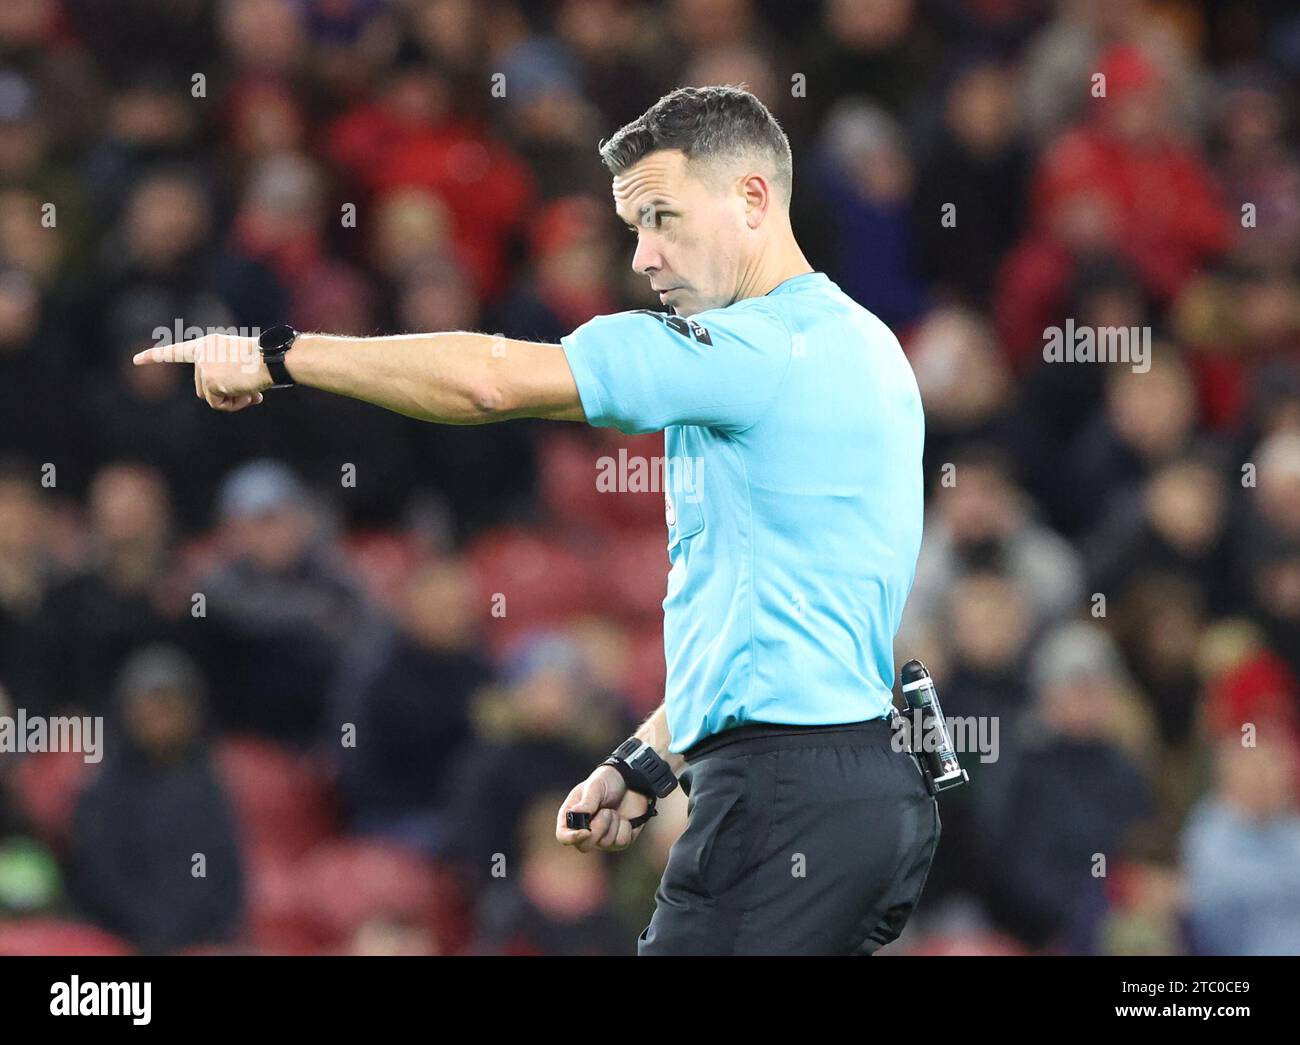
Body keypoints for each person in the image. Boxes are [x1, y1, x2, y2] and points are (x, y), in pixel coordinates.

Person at [133, 84, 938, 956]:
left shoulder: (752, 349)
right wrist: (650, 757)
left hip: (786, 801)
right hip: (874, 788)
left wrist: (279, 355)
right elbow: (776, 625)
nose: (645, 255)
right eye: (634, 227)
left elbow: (489, 380)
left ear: (752, 197)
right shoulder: (869, 345)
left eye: (662, 217)